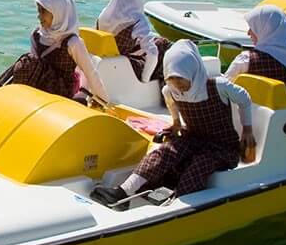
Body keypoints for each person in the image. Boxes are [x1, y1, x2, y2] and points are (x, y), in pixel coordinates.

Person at [93, 42, 255, 207]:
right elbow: (171, 103)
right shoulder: (170, 90)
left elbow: (244, 99)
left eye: (181, 79)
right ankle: (123, 191)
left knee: (201, 163)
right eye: (173, 80)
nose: (179, 86)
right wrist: (176, 123)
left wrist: (247, 130)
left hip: (222, 147)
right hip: (193, 138)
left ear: (192, 70)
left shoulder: (218, 86)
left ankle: (176, 202)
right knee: (164, 152)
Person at [0, 0, 107, 102]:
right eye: (38, 11)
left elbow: (90, 72)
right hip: (40, 82)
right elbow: (34, 67)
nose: (39, 16)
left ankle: (3, 96)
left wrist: (104, 100)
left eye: (43, 12)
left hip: (61, 89)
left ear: (58, 13)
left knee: (29, 62)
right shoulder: (37, 35)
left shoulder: (73, 43)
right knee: (27, 61)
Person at [92, 0, 168, 82]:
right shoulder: (137, 20)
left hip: (104, 60)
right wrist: (144, 79)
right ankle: (158, 86)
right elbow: (152, 54)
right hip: (125, 67)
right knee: (162, 44)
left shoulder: (105, 13)